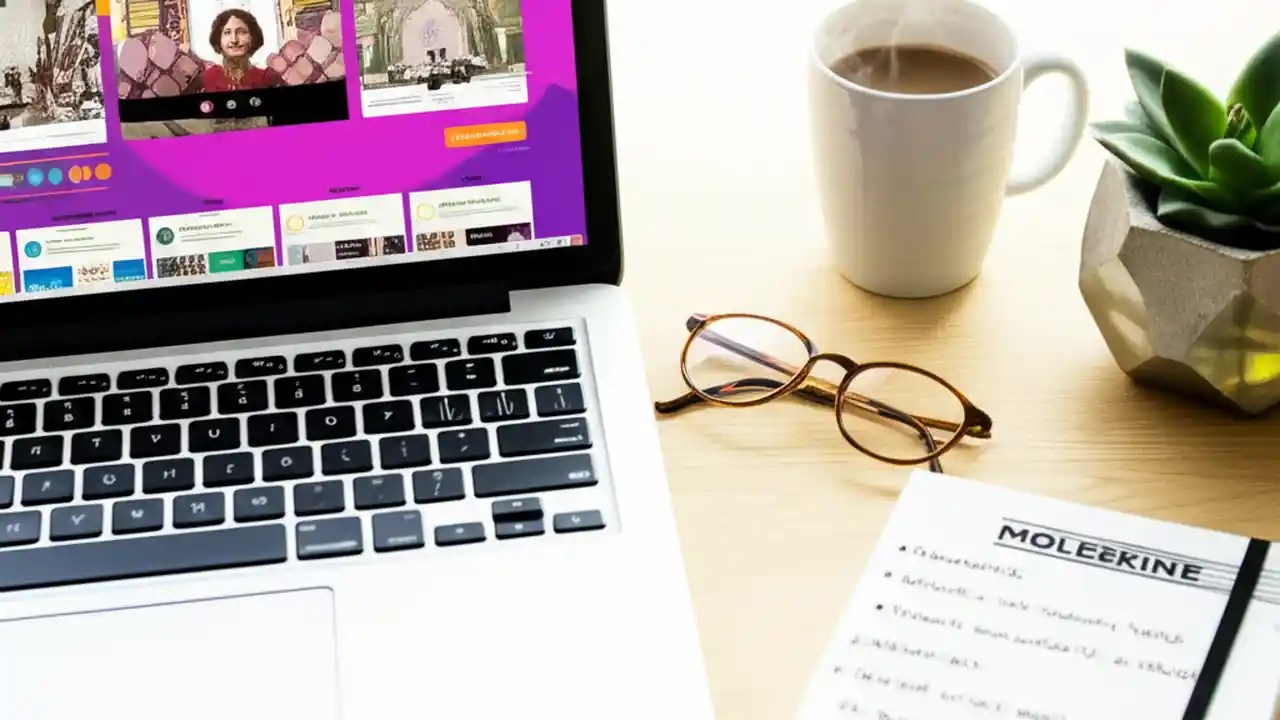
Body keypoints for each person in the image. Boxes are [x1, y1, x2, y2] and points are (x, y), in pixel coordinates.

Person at [202, 9, 277, 92]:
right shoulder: (206, 80)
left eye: (241, 32)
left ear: (253, 37)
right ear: (218, 39)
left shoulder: (267, 79)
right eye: (227, 33)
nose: (234, 40)